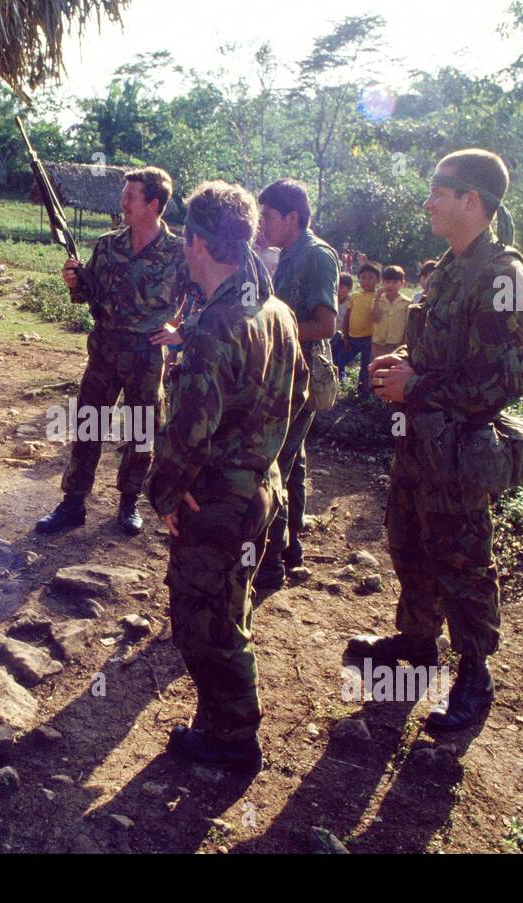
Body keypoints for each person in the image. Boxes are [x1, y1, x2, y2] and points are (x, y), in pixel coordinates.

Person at [351, 147, 523, 733]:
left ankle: (475, 676)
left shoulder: (503, 276)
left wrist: (418, 386)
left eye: (439, 192)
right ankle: (416, 644)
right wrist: (400, 364)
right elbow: (438, 352)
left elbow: (503, 383)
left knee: (464, 561)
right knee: (409, 542)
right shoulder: (448, 269)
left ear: (471, 200)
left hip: (458, 454)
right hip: (418, 445)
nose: (428, 202)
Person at [147, 181, 307, 771]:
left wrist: (164, 490)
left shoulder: (216, 328)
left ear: (194, 242)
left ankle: (234, 738)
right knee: (230, 608)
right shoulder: (275, 312)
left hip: (214, 501)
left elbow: (191, 430)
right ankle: (222, 721)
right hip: (261, 489)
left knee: (202, 622)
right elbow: (300, 396)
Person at [37, 168, 192, 536]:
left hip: (146, 354)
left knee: (140, 431)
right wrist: (74, 281)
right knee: (89, 424)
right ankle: (73, 503)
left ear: (154, 204)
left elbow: (201, 297)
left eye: (130, 197)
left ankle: (128, 502)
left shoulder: (179, 251)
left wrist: (181, 330)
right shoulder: (108, 245)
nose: (122, 203)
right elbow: (89, 292)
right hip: (105, 350)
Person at [254, 178, 338, 591]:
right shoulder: (286, 254)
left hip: (300, 380)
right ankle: (290, 550)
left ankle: (268, 567)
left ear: (292, 217)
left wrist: (275, 332)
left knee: (275, 468)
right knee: (293, 464)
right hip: (285, 378)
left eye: (267, 216)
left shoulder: (316, 256)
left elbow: (325, 324)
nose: (261, 223)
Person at [336, 262, 380, 396]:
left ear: (378, 280)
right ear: (359, 279)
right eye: (363, 277)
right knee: (339, 361)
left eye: (370, 278)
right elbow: (347, 318)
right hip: (352, 338)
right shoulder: (355, 297)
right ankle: (337, 385)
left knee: (365, 368)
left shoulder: (379, 298)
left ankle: (362, 394)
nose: (366, 281)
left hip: (369, 339)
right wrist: (345, 336)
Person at [370, 265, 411, 359]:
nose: (391, 285)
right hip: (378, 343)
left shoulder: (407, 303)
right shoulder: (378, 300)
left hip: (396, 344)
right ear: (382, 283)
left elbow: (407, 326)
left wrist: (404, 344)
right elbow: (374, 319)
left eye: (395, 282)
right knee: (375, 369)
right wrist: (377, 297)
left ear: (402, 283)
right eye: (387, 282)